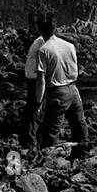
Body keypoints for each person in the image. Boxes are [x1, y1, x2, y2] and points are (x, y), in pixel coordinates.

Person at [27, 13, 87, 150]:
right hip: (73, 89)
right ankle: (85, 152)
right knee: (79, 126)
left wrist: (38, 104)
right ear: (55, 28)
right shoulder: (70, 46)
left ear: (39, 29)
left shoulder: (43, 50)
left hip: (57, 92)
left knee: (50, 133)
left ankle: (49, 159)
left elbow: (41, 80)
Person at [20, 14, 44, 146]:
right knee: (32, 110)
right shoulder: (38, 41)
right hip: (33, 80)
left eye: (33, 24)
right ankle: (31, 139)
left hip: (37, 81)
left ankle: (32, 140)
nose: (30, 27)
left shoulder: (42, 42)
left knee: (34, 111)